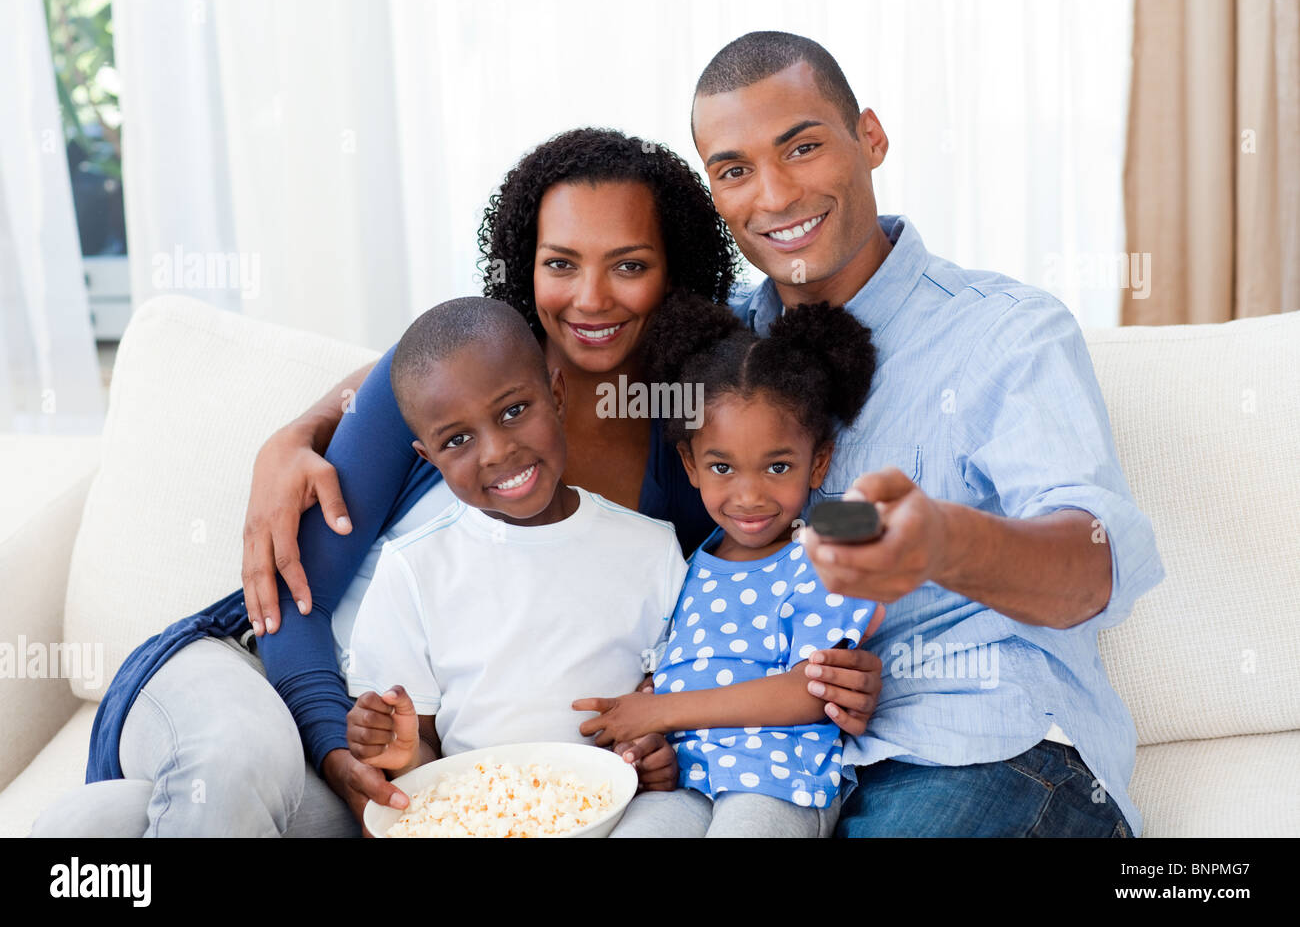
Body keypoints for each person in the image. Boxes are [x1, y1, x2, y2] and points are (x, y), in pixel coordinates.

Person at [34, 128, 879, 837]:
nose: (590, 297)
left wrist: (843, 661)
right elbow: (294, 607)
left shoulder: (686, 430)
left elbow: (756, 548)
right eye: (561, 264)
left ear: (676, 272)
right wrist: (296, 433)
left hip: (410, 762)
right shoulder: (459, 376)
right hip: (263, 681)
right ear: (525, 265)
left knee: (116, 825)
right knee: (235, 764)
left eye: (628, 265)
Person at [687, 31, 1165, 836]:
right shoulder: (718, 355)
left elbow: (1094, 565)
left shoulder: (1006, 334)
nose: (772, 196)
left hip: (988, 754)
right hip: (791, 770)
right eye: (735, 170)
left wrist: (942, 541)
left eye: (801, 147)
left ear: (869, 137)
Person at [572, 294, 883, 837]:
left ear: (820, 463)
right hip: (684, 779)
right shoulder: (690, 564)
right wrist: (644, 733)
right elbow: (665, 673)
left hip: (777, 779)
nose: (749, 496)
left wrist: (662, 713)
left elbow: (812, 692)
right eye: (723, 466)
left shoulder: (826, 557)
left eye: (778, 466)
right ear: (691, 464)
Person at [343, 297, 686, 785]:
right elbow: (418, 755)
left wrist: (652, 751)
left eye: (514, 410)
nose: (498, 450)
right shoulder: (412, 570)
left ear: (558, 395)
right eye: (458, 440)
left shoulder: (652, 550)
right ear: (427, 457)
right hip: (475, 814)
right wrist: (397, 753)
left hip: (613, 810)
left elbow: (669, 709)